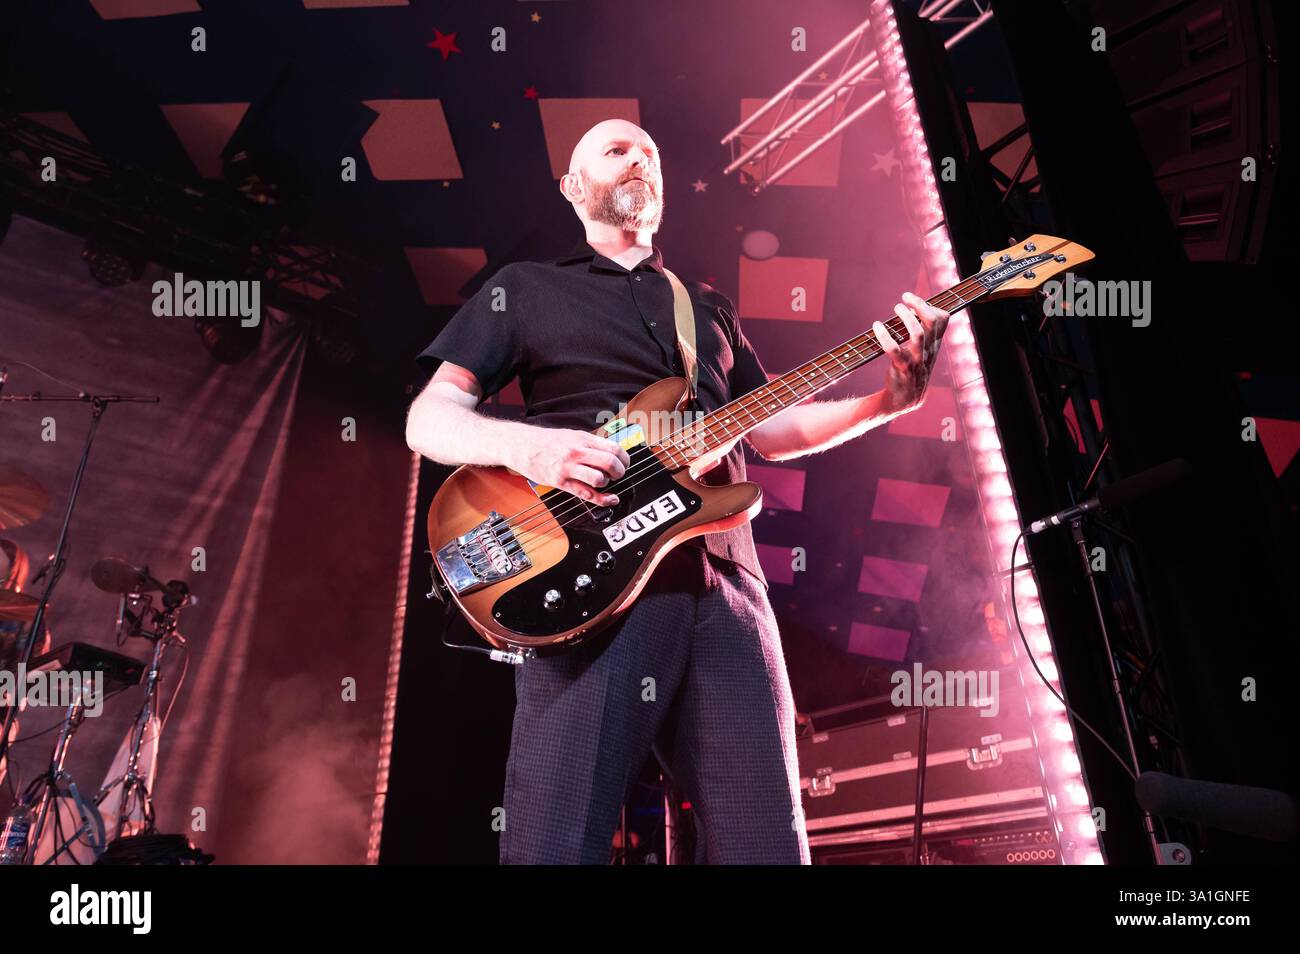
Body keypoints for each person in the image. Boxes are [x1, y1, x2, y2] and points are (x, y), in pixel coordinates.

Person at [406, 119, 949, 864]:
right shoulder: (524, 289)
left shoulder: (709, 309)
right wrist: (531, 447)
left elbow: (772, 425)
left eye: (651, 153)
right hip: (588, 572)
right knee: (554, 845)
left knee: (768, 846)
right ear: (572, 187)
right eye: (616, 149)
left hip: (727, 585)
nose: (640, 158)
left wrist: (886, 402)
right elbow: (428, 417)